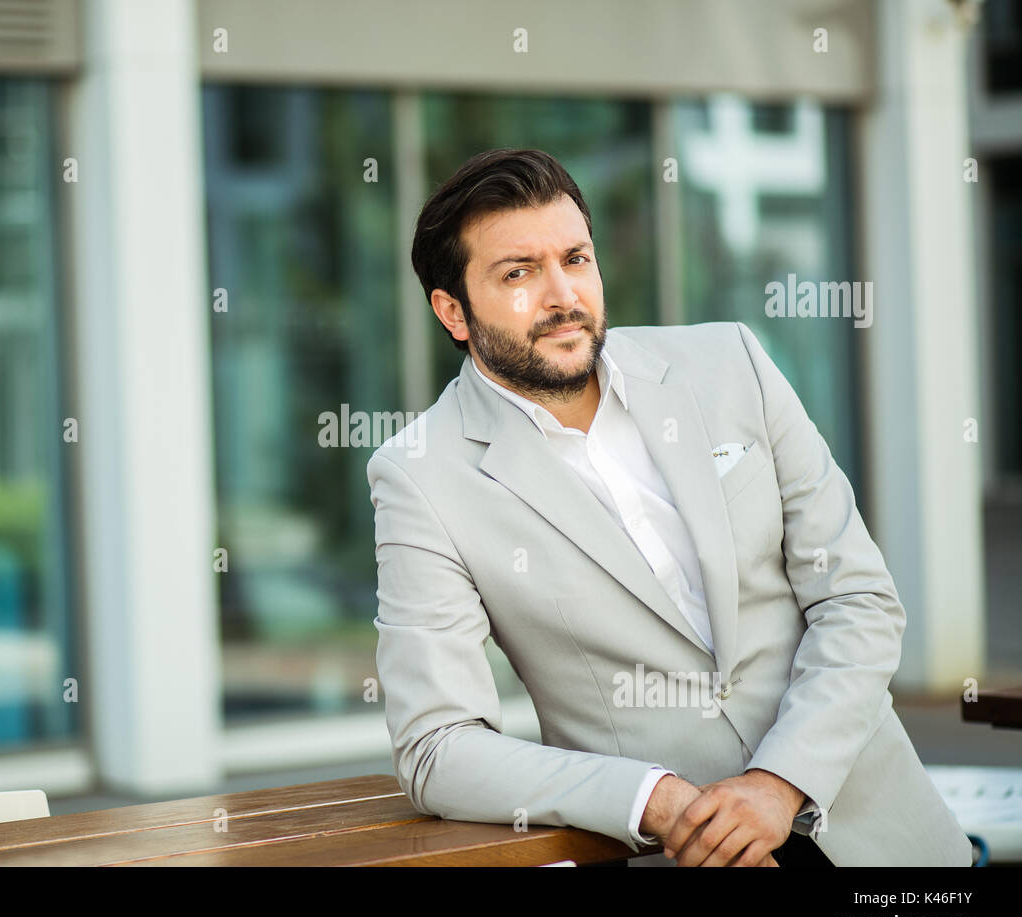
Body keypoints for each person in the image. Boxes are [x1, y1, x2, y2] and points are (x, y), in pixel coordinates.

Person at [367, 147, 970, 866]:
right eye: (519, 273)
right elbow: (437, 748)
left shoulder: (731, 364)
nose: (562, 295)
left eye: (575, 258)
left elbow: (859, 600)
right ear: (452, 312)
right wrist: (657, 798)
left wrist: (778, 784)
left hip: (886, 838)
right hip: (680, 853)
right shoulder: (422, 476)